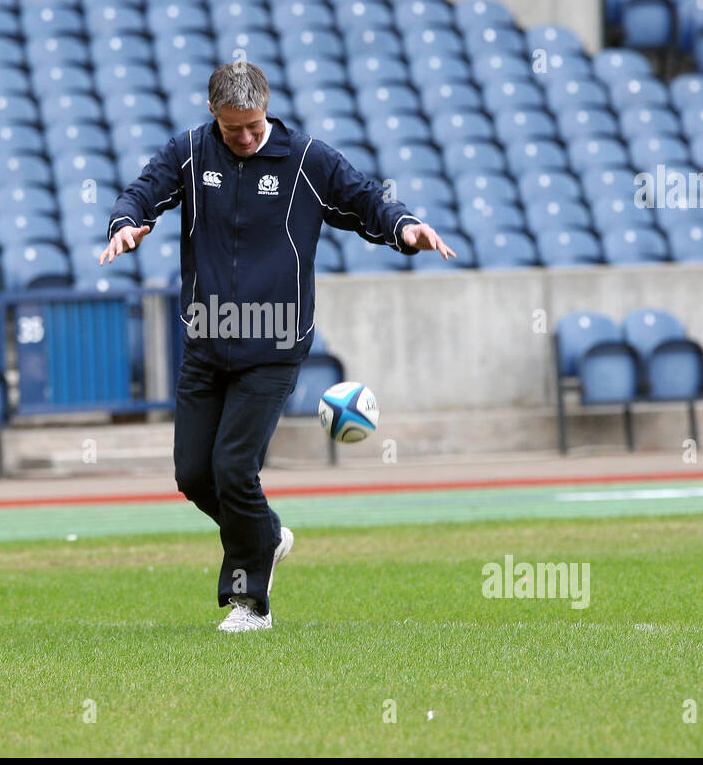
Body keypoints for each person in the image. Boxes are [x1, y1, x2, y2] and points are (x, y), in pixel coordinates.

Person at [100, 61, 455, 632]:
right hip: (207, 341)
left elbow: (364, 199)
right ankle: (268, 535)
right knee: (194, 475)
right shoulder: (190, 152)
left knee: (234, 468)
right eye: (232, 128)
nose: (244, 138)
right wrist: (126, 222)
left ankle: (249, 604)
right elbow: (143, 190)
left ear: (266, 110)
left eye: (254, 126)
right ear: (213, 114)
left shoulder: (307, 159)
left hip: (274, 342)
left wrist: (405, 228)